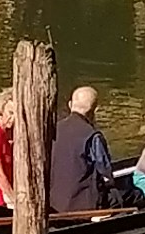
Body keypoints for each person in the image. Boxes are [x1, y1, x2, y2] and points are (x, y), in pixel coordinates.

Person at [50, 84, 118, 216]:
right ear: (95, 110)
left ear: (70, 105)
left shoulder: (53, 130)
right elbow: (105, 172)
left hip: (53, 204)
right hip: (84, 206)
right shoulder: (92, 135)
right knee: (127, 196)